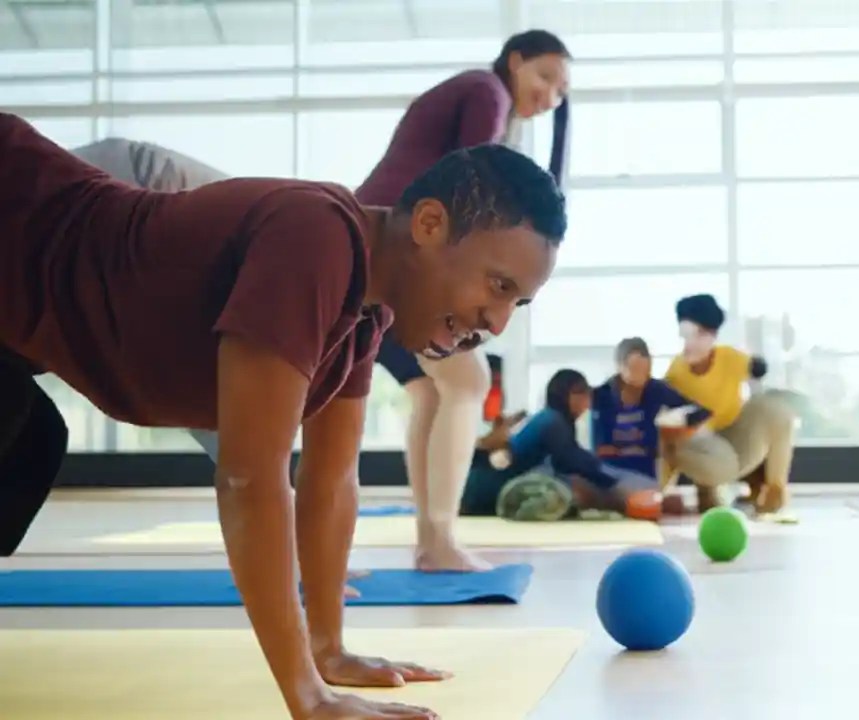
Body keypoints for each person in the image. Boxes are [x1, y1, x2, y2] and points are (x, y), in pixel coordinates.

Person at [0, 113, 565, 720]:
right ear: (429, 224)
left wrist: (329, 650)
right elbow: (249, 477)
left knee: (27, 445)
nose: (498, 322)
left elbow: (331, 480)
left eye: (518, 302)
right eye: (498, 286)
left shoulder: (366, 314)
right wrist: (308, 698)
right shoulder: (315, 238)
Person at [350, 28, 572, 572]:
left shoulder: (483, 97)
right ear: (514, 61)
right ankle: (438, 541)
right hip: (396, 255)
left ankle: (434, 541)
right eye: (545, 76)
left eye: (561, 91)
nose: (550, 96)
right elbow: (477, 192)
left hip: (375, 247)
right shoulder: (486, 92)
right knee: (467, 381)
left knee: (431, 391)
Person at [460, 369, 661, 520]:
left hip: (481, 488)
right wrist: (616, 483)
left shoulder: (552, 419)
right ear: (572, 395)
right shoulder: (552, 421)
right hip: (481, 492)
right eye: (585, 397)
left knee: (598, 481)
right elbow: (573, 461)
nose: (587, 405)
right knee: (597, 482)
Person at [662, 294, 797, 514]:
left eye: (699, 335)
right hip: (705, 448)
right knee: (687, 443)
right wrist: (659, 491)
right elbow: (667, 437)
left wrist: (759, 366)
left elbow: (756, 369)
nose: (691, 344)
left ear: (713, 336)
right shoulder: (676, 373)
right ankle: (707, 488)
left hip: (736, 437)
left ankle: (774, 490)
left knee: (777, 411)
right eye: (686, 336)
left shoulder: (729, 358)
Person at [591, 337, 710, 480]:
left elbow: (700, 411)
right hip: (610, 473)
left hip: (646, 472)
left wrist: (674, 435)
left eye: (645, 372)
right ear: (619, 366)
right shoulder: (599, 396)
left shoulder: (656, 389)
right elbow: (598, 448)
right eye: (633, 370)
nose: (640, 380)